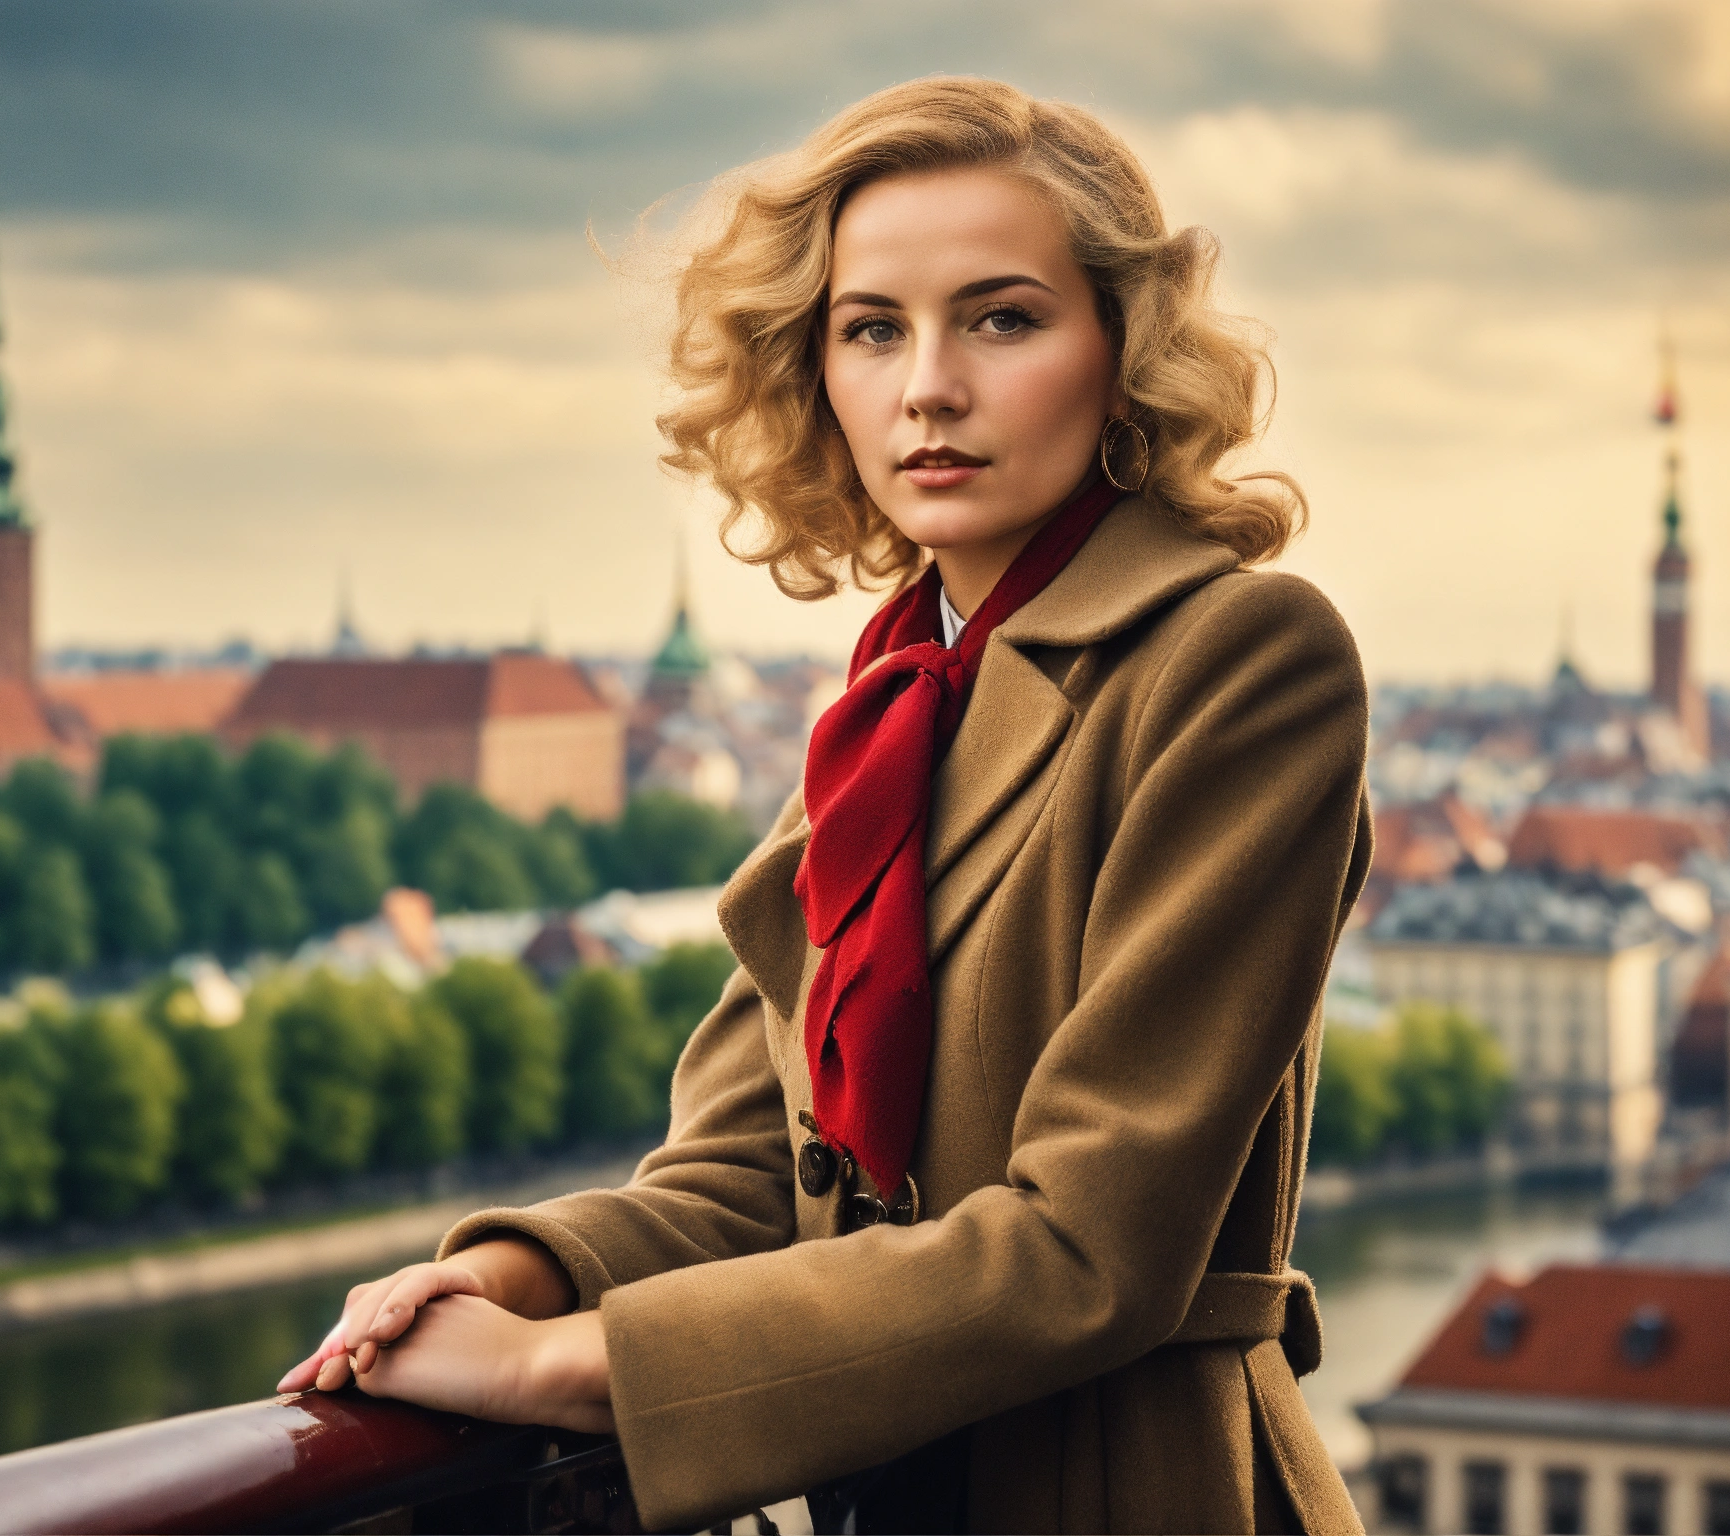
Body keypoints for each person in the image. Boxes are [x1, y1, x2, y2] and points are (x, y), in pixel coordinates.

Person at [278, 75, 1370, 1535]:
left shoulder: (1238, 658)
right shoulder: (891, 703)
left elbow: (1092, 1249)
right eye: (872, 329)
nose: (929, 386)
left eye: (1002, 319)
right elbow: (756, 1174)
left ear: (1124, 356)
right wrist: (508, 1275)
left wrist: (558, 1366)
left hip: (1132, 1487)